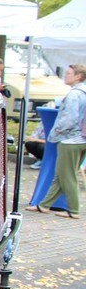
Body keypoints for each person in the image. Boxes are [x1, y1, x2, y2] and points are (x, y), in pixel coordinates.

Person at [27, 63, 86, 219]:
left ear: (78, 76)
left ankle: (73, 209)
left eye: (69, 73)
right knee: (62, 174)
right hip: (82, 139)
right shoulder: (84, 92)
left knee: (67, 175)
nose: (65, 75)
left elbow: (69, 118)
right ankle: (44, 205)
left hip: (70, 140)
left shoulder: (74, 94)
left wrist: (58, 131)